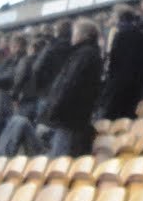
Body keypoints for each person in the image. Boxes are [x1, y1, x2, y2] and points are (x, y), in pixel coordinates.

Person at [40, 18, 104, 158]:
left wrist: (54, 109)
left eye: (75, 32)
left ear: (83, 35)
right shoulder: (87, 53)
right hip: (73, 118)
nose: (72, 36)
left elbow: (69, 85)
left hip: (70, 119)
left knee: (60, 161)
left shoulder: (84, 55)